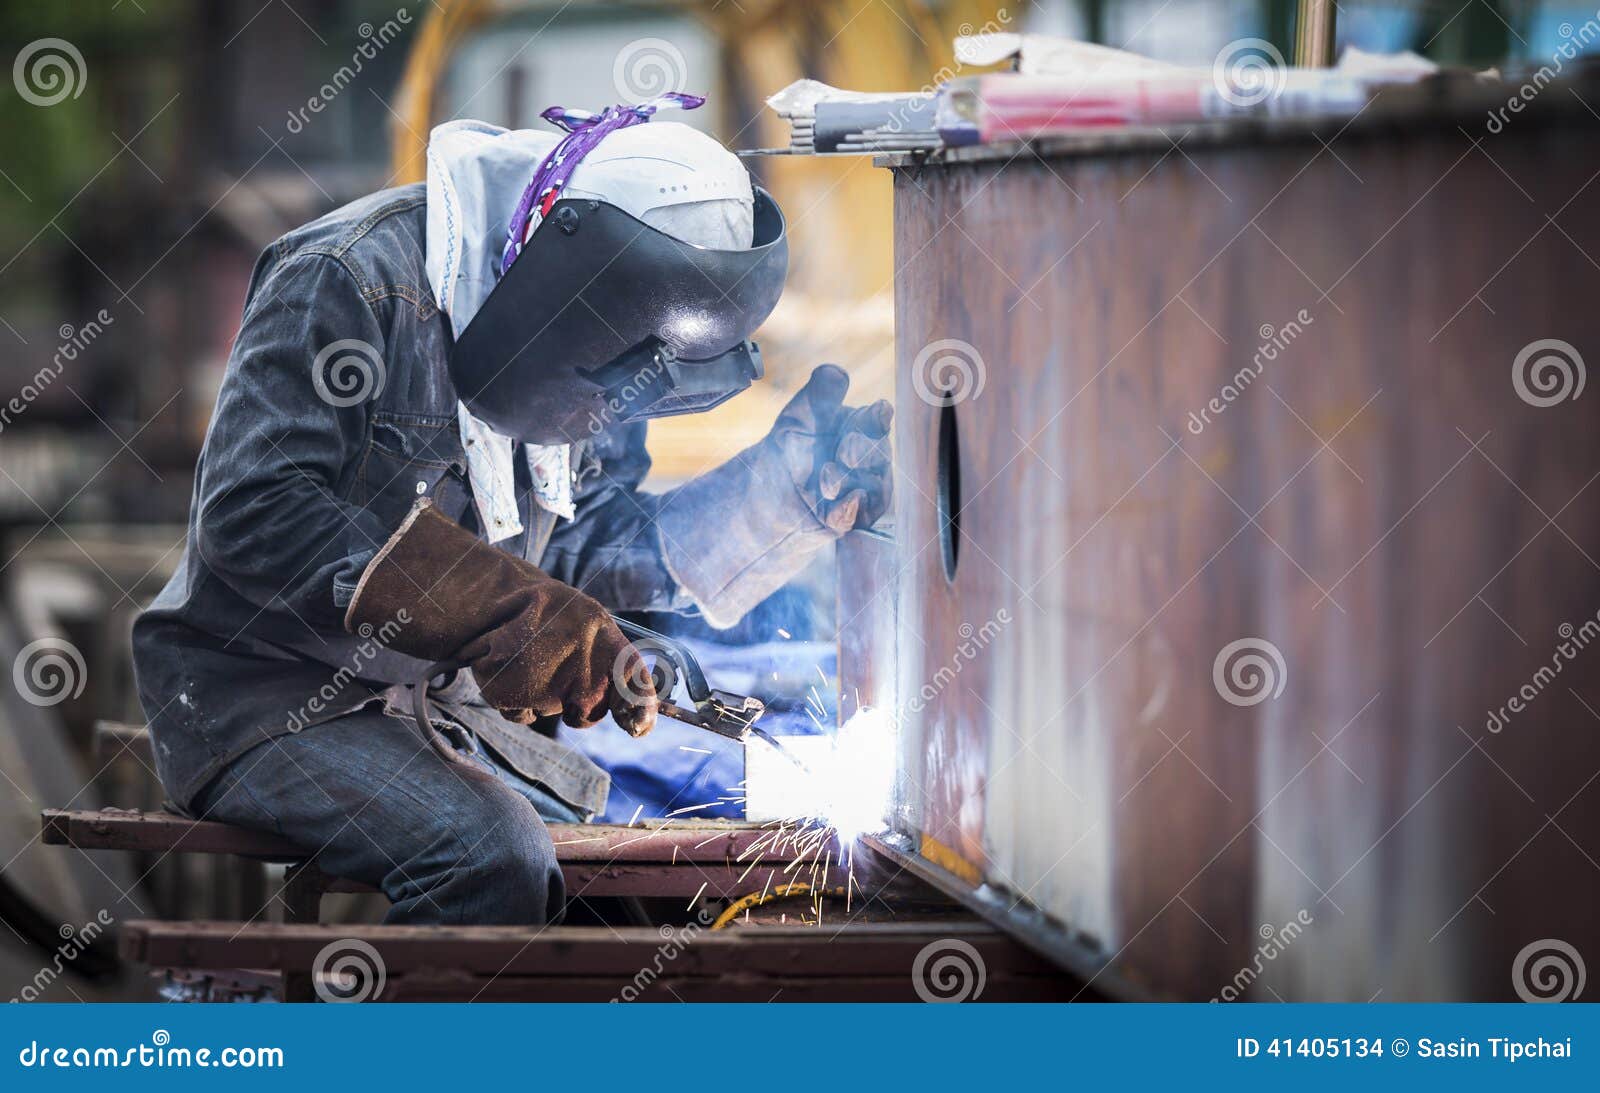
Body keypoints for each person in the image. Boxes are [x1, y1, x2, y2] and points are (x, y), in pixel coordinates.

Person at [130, 95, 892, 926]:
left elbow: (582, 546)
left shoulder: (606, 328)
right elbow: (255, 514)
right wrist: (505, 609)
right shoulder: (348, 278)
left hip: (439, 712)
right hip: (260, 702)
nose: (607, 415)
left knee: (633, 895)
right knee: (487, 860)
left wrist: (774, 496)